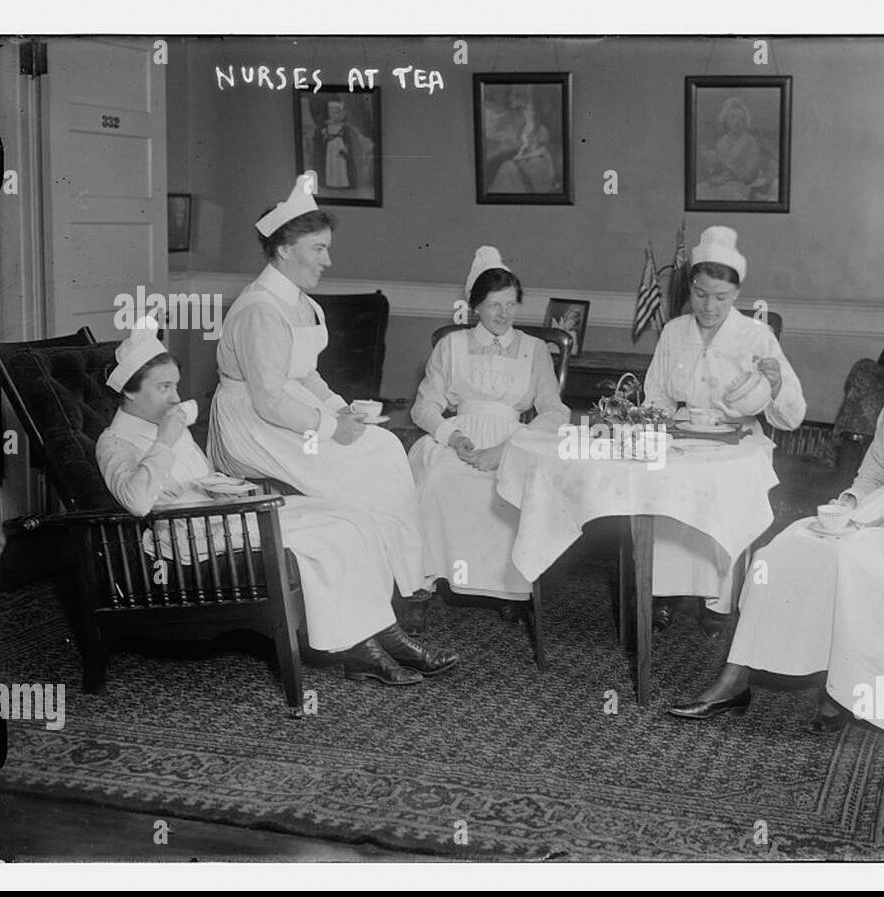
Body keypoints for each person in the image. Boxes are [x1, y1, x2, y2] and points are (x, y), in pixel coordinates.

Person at [669, 271, 884, 748]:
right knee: (780, 552)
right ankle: (734, 681)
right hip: (881, 507)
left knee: (848, 560)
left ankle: (844, 688)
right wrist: (848, 503)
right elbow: (872, 472)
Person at [97, 320, 440, 685]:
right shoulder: (115, 442)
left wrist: (226, 487)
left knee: (353, 515)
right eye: (164, 387)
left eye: (175, 386)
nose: (175, 398)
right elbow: (135, 500)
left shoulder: (164, 422)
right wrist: (164, 442)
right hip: (191, 536)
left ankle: (384, 634)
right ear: (131, 392)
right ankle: (359, 651)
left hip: (225, 515)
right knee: (331, 534)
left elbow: (201, 477)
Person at [207, 173, 451, 665]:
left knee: (382, 449)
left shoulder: (302, 303)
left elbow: (307, 376)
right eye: (318, 249)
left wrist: (339, 407)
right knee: (357, 472)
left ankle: (391, 598)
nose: (328, 260)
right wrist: (328, 428)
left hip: (290, 412)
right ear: (282, 251)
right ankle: (366, 618)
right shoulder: (259, 308)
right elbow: (269, 399)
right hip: (251, 426)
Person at [642, 226, 806, 636]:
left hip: (739, 444)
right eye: (700, 294)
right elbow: (656, 397)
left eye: (721, 297)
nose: (709, 307)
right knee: (666, 494)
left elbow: (793, 417)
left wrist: (777, 384)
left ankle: (719, 603)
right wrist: (655, 433)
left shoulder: (756, 335)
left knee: (723, 498)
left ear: (737, 295)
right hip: (684, 439)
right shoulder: (673, 332)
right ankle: (663, 593)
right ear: (690, 287)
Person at [408, 247, 569, 616]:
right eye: (495, 305)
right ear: (475, 306)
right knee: (435, 479)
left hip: (513, 439)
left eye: (511, 304)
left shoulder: (533, 349)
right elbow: (424, 406)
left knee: (508, 489)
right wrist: (453, 437)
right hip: (458, 436)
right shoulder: (452, 346)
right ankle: (424, 584)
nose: (504, 314)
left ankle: (505, 589)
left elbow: (554, 411)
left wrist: (509, 447)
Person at [698, 97, 767, 201]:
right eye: (733, 117)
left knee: (729, 193)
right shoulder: (721, 142)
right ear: (725, 119)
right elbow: (715, 171)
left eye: (740, 118)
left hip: (743, 186)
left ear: (744, 121)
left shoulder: (750, 142)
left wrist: (729, 171)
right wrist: (716, 179)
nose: (737, 121)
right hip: (722, 183)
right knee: (699, 190)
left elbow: (749, 176)